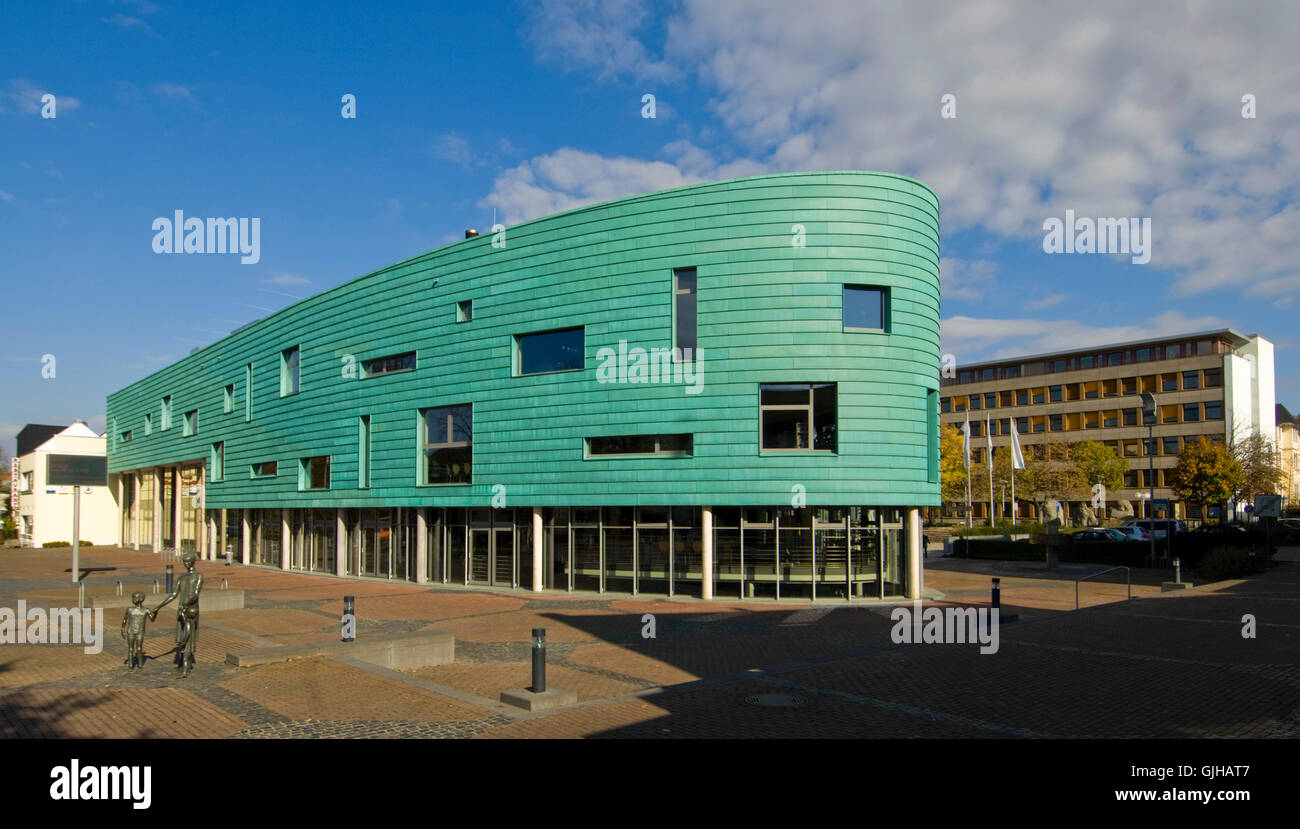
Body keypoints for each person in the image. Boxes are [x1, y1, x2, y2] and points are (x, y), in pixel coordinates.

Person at [153, 551, 203, 678]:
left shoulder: (198, 576)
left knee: (188, 636)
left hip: (191, 610)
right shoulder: (182, 577)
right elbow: (174, 594)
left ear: (193, 561)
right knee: (181, 636)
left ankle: (186, 668)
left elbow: (196, 594)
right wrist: (159, 606)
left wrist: (186, 605)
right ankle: (182, 664)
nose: (186, 564)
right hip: (181, 610)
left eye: (188, 561)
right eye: (184, 562)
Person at [121, 591, 155, 671]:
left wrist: (155, 613)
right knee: (130, 649)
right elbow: (125, 620)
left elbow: (152, 619)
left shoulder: (146, 610)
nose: (132, 599)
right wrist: (122, 630)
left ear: (140, 599)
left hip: (140, 632)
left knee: (139, 648)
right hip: (131, 631)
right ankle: (130, 665)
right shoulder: (129, 610)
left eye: (134, 597)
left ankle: (140, 666)